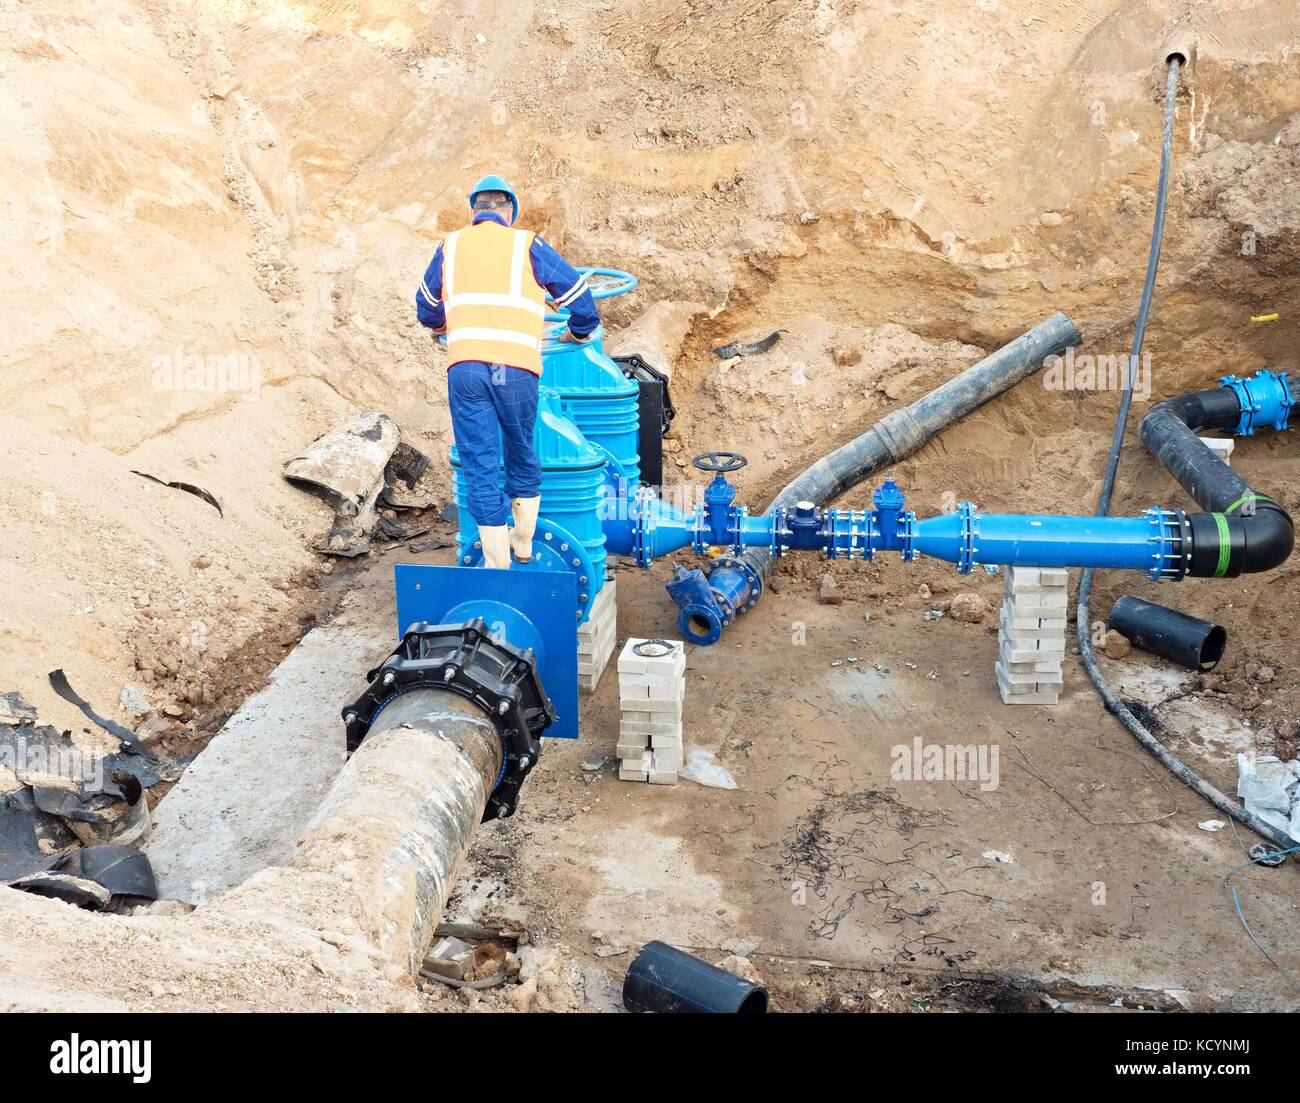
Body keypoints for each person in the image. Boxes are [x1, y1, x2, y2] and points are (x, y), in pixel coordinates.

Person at [415, 174, 600, 567]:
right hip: (515, 372)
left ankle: (496, 566)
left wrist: (441, 327)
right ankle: (524, 545)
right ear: (509, 213)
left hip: (465, 371)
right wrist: (577, 333)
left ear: (474, 212)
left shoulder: (452, 245)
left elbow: (426, 306)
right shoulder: (527, 244)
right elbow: (582, 299)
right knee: (520, 450)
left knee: (479, 461)